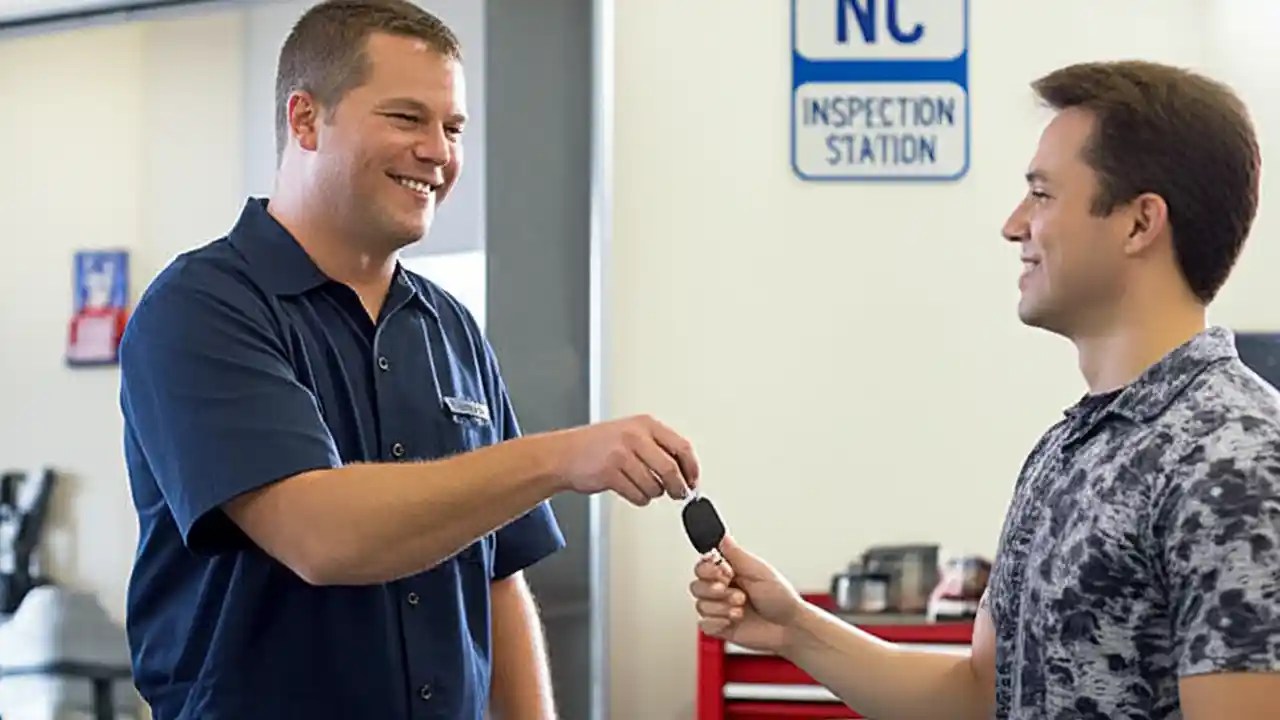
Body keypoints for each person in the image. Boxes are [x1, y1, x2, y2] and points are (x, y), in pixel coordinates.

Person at [118, 1, 699, 718]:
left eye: (453, 128)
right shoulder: (202, 308)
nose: (439, 151)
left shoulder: (449, 327)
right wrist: (559, 459)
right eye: (406, 118)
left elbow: (498, 577)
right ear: (305, 119)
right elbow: (321, 536)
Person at [691, 60, 1280, 719]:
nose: (1013, 224)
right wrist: (794, 629)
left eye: (1043, 195)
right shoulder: (1067, 452)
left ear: (1139, 224)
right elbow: (980, 694)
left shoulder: (1237, 460)